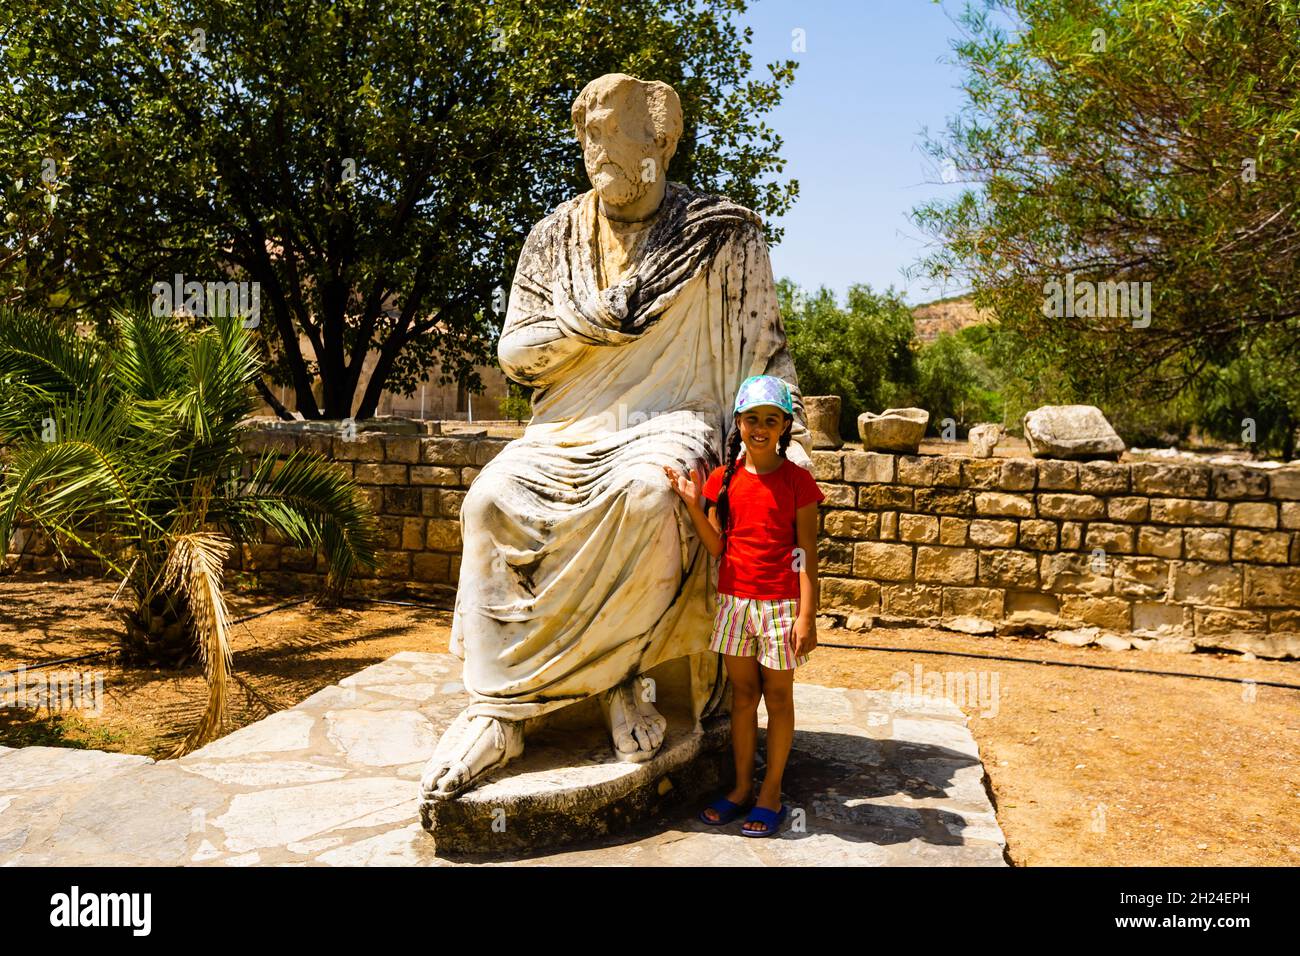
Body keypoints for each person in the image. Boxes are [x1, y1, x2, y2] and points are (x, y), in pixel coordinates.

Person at [663, 374, 824, 837]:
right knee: (743, 699)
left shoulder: (798, 483)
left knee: (778, 697)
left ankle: (770, 792)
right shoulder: (723, 480)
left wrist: (806, 615)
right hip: (734, 605)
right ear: (740, 422)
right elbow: (716, 548)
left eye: (770, 420)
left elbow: (807, 554)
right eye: (752, 419)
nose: (760, 427)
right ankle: (739, 788)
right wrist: (695, 505)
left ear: (783, 427)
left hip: (780, 608)